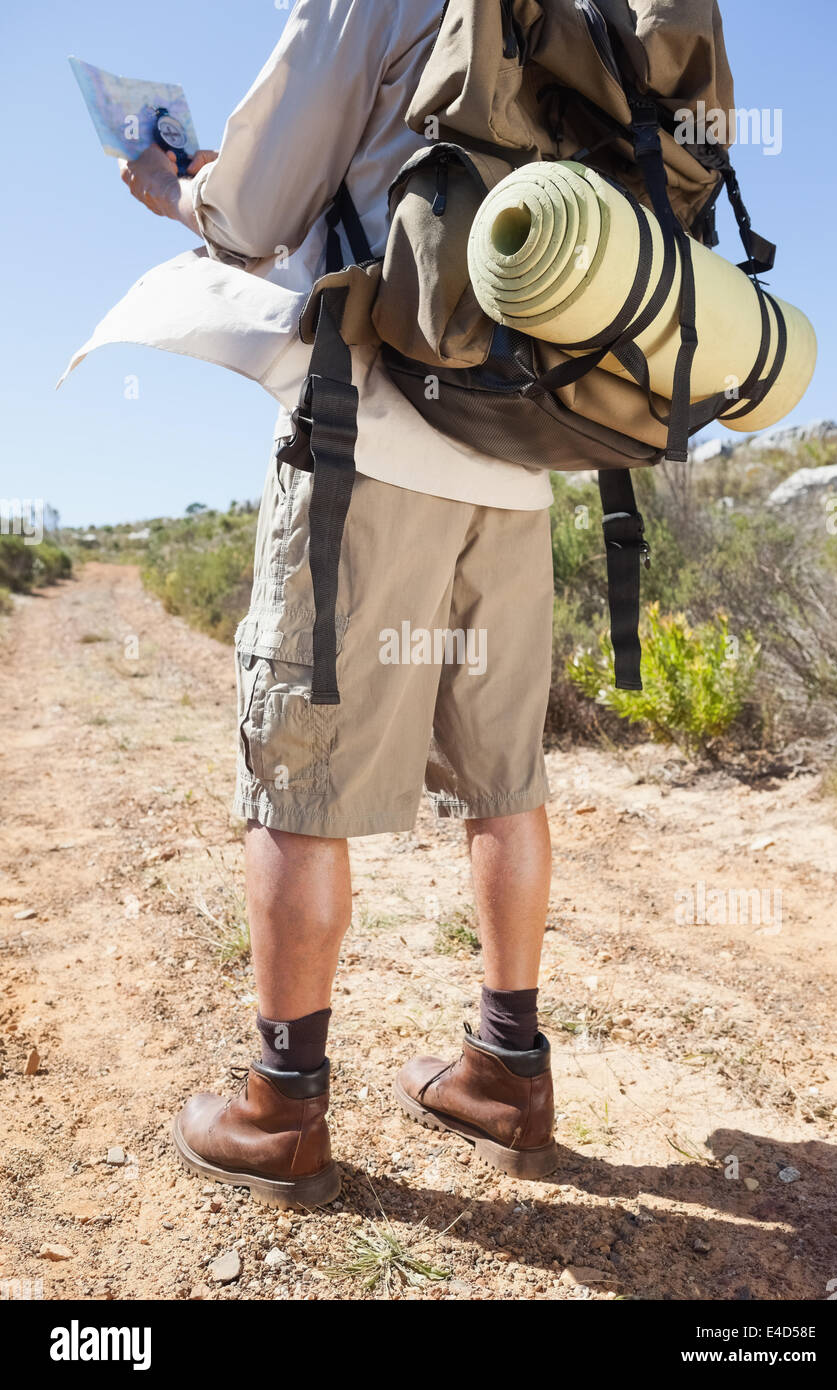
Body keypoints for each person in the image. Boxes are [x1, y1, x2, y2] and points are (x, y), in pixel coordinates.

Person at [120, 0, 558, 1209]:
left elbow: (255, 211)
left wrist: (177, 189)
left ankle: (279, 1107)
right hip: (524, 458)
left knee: (297, 779)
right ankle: (507, 1070)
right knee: (502, 777)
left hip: (368, 434)